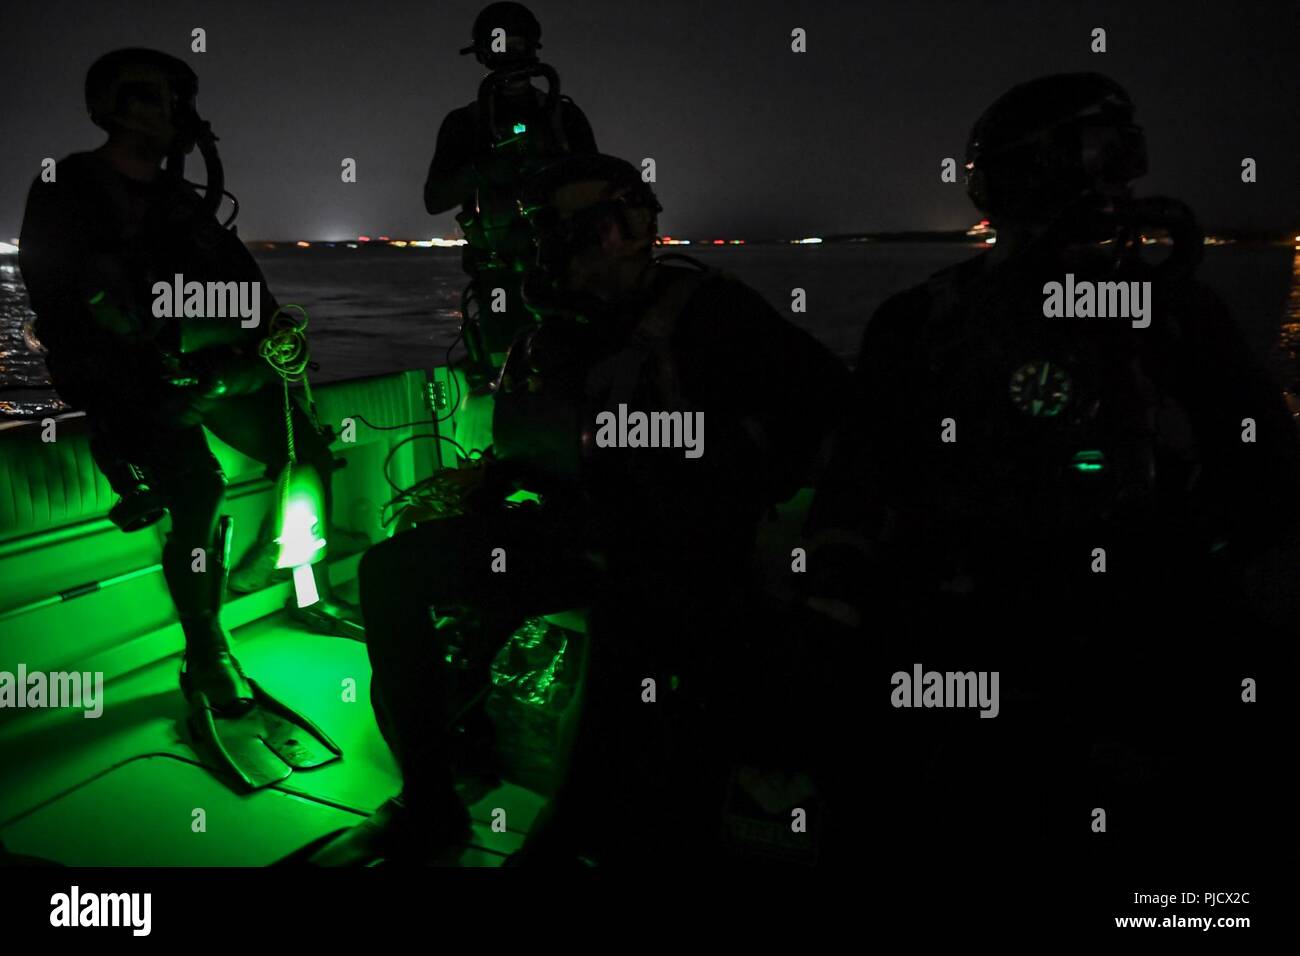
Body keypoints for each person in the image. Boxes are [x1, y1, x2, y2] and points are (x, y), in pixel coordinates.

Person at [805, 73, 1299, 876]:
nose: (1120, 184)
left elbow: (1263, 475)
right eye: (1097, 157)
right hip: (993, 631)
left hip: (1104, 638)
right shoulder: (926, 323)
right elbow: (860, 480)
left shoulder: (1167, 314)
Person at [309, 153, 850, 864]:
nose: (554, 245)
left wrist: (718, 477)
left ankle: (574, 836)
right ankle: (431, 804)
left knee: (630, 659)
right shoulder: (555, 329)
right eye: (545, 231)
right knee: (391, 571)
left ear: (631, 226)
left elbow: (832, 413)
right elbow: (545, 439)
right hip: (570, 535)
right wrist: (501, 478)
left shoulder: (714, 311)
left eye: (574, 227)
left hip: (676, 559)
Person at [18, 48, 354, 789]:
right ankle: (206, 651)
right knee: (195, 491)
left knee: (305, 446)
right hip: (131, 387)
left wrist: (232, 351)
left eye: (173, 99)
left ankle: (283, 569)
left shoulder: (182, 202)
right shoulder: (69, 187)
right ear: (109, 106)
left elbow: (253, 307)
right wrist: (158, 351)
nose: (164, 112)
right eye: (146, 98)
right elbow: (73, 304)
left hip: (205, 371)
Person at [424, 1, 598, 385]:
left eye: (520, 46)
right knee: (504, 375)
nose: (513, 58)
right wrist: (483, 170)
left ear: (534, 47)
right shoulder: (464, 125)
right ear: (484, 56)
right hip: (498, 278)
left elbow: (599, 190)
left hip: (567, 276)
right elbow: (434, 199)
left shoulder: (565, 117)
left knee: (578, 371)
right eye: (502, 47)